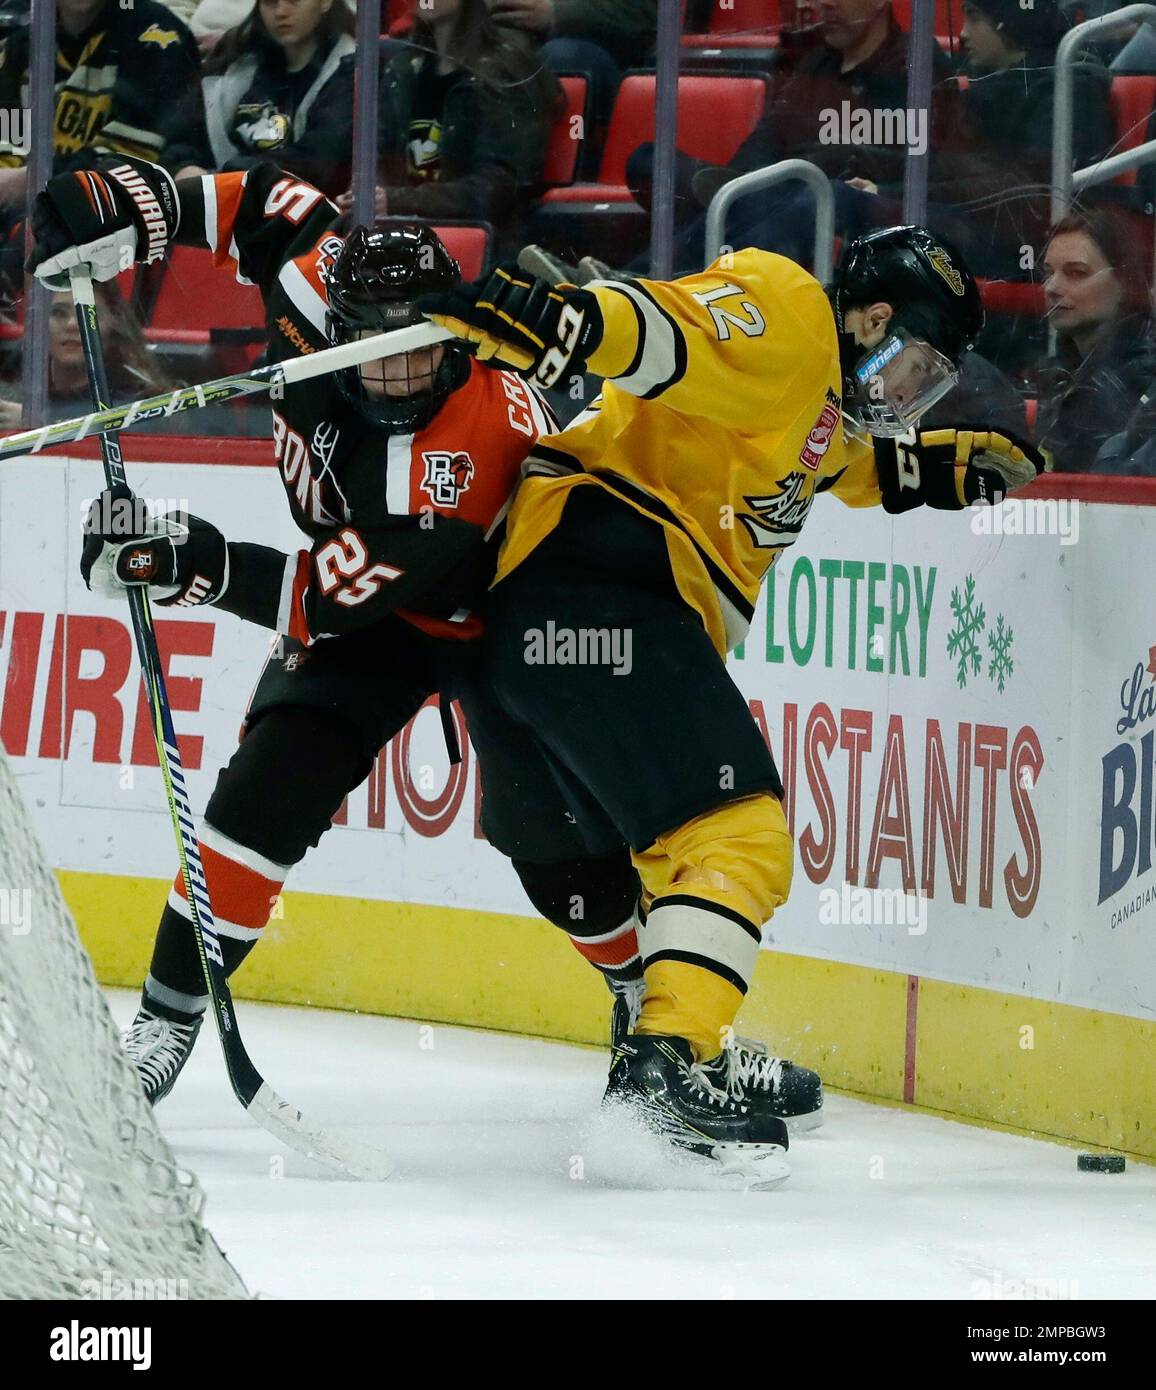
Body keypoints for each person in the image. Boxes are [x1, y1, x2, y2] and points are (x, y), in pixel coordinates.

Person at [27, 156, 822, 1136]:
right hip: (389, 614)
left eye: (423, 350)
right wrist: (122, 202)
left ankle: (644, 1010)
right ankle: (165, 1018)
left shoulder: (460, 458)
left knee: (551, 842)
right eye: (380, 353)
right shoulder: (312, 277)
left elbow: (320, 599)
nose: (402, 375)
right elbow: (253, 202)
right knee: (272, 779)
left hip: (501, 609)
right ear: (340, 327)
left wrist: (182, 559)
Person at [418, 226, 1046, 1181]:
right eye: (913, 365)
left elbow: (846, 466)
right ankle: (663, 1068)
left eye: (931, 386)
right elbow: (667, 332)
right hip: (596, 581)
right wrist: (575, 322)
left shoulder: (818, 406)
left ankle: (680, 1048)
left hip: (553, 614)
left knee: (670, 857)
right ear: (871, 319)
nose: (912, 394)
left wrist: (947, 467)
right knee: (740, 837)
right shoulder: (790, 313)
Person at [337, 0, 561, 250]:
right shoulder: (402, 71)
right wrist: (360, 195)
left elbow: (494, 192)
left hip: (481, 249)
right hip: (401, 242)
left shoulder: (504, 75)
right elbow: (376, 160)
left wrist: (396, 201)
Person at [0, 0, 208, 214]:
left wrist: (31, 179)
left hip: (128, 217)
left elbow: (132, 161)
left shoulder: (157, 34)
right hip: (41, 214)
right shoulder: (21, 46)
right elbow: (8, 139)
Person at [168, 0, 357, 197]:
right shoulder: (236, 57)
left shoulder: (351, 70)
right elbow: (184, 136)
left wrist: (222, 178)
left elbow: (318, 161)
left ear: (326, 2)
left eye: (293, 0)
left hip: (298, 215)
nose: (281, 12)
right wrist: (184, 166)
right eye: (269, 2)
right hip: (216, 204)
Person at [1033, 206, 1156, 472]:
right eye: (1048, 272)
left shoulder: (1140, 381)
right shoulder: (1063, 372)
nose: (1052, 287)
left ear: (1124, 282)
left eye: (1076, 273)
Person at [0, 282, 172, 429]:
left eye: (87, 313)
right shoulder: (15, 392)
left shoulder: (142, 400)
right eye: (59, 313)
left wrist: (42, 424)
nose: (72, 325)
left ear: (112, 325)